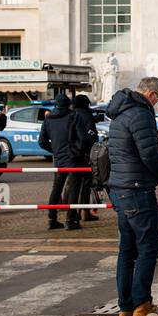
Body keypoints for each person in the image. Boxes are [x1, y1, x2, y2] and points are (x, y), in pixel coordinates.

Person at [106, 77, 158, 316]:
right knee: (148, 248)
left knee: (127, 250)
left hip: (120, 186)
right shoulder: (140, 114)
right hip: (138, 188)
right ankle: (143, 306)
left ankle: (126, 308)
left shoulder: (120, 112)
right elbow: (149, 154)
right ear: (151, 94)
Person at [38, 95, 82, 231]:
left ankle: (52, 219)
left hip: (58, 159)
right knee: (74, 189)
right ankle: (70, 220)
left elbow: (42, 142)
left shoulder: (48, 119)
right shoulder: (73, 116)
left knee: (56, 188)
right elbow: (82, 137)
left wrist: (55, 150)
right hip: (73, 158)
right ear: (68, 104)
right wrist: (77, 151)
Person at [68, 94, 99, 223]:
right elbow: (91, 137)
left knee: (72, 186)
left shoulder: (70, 115)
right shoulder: (86, 116)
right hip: (84, 156)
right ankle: (83, 212)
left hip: (69, 155)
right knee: (86, 185)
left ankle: (72, 214)